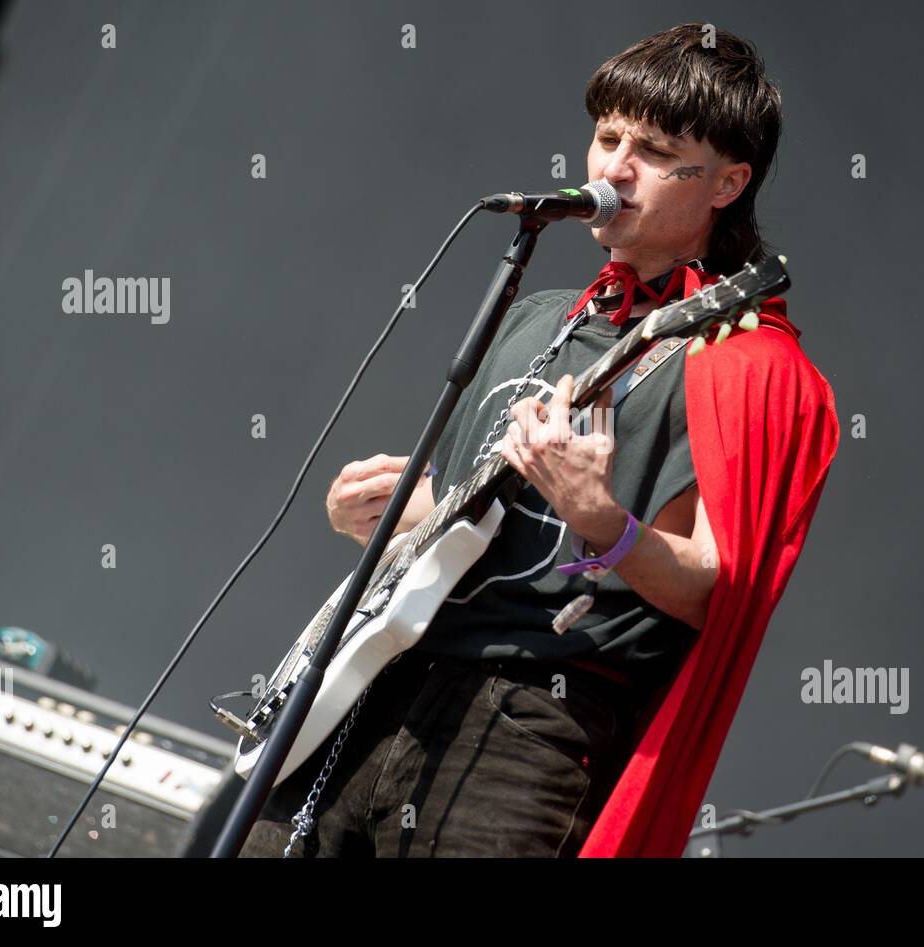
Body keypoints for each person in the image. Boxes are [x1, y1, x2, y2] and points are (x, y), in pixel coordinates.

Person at [238, 22, 839, 858]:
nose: (615, 168)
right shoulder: (538, 317)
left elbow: (712, 588)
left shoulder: (750, 366)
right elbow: (480, 526)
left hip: (527, 720)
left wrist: (604, 522)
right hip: (379, 679)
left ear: (727, 183)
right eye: (608, 137)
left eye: (656, 151)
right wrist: (391, 512)